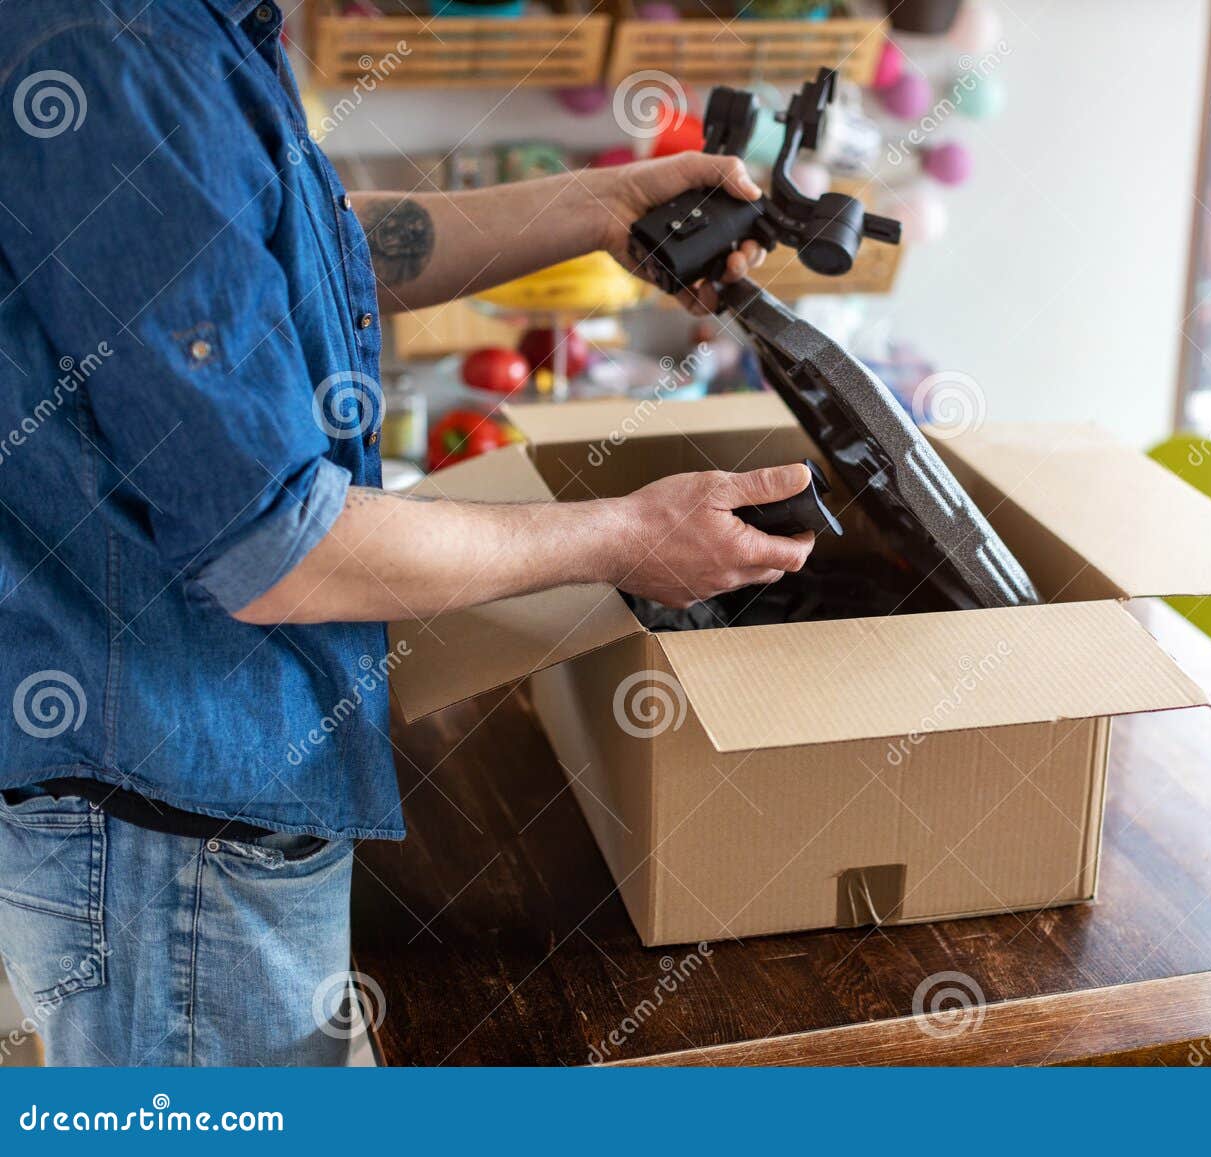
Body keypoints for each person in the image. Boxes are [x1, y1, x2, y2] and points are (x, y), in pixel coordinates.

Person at [0, 0, 814, 1066]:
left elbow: (309, 254)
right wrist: (622, 538)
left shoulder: (195, 32)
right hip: (174, 829)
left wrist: (599, 204)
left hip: (203, 784)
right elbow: (278, 547)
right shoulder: (123, 54)